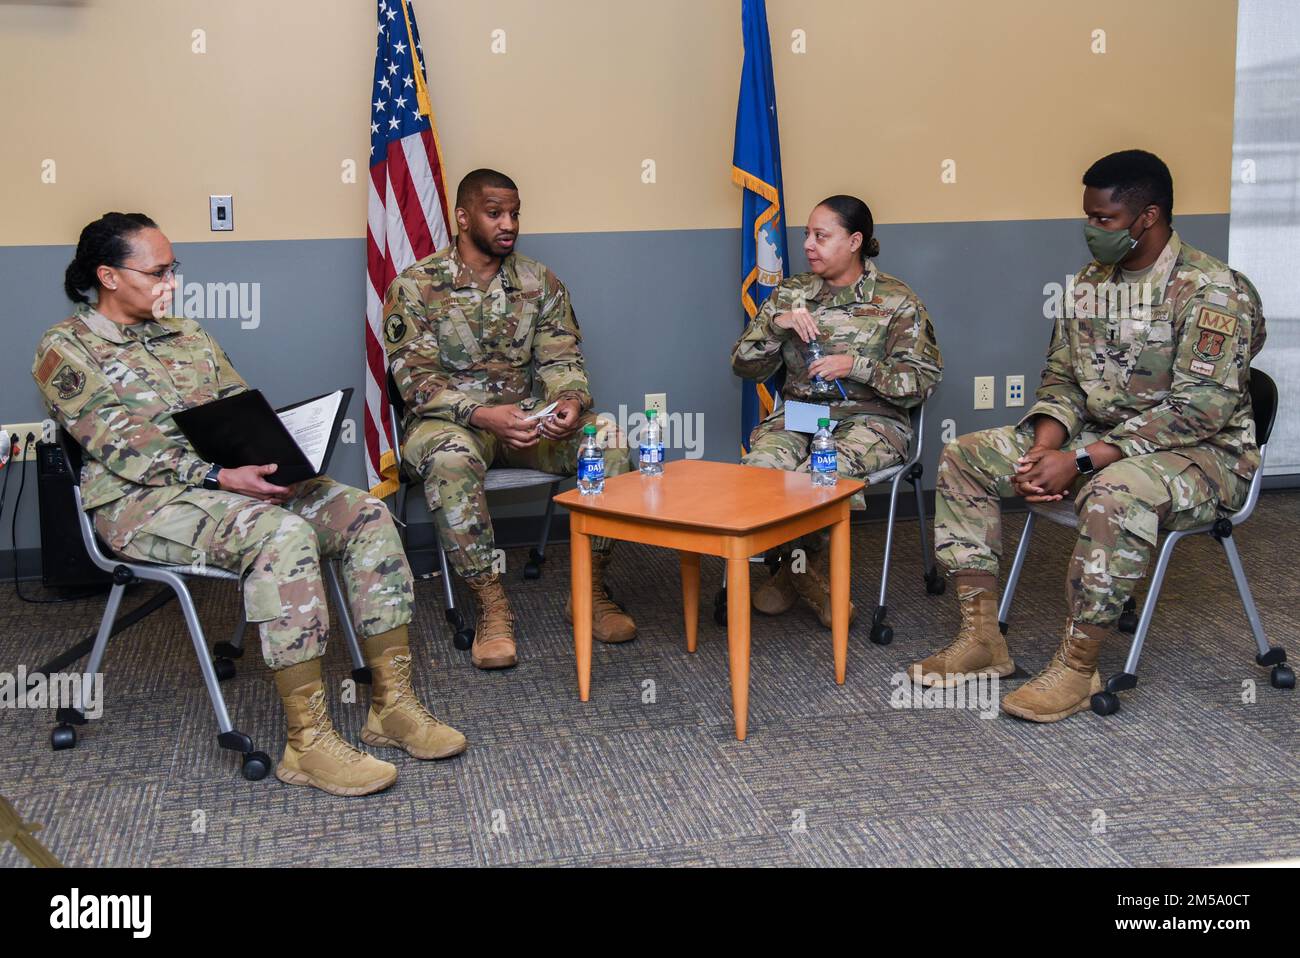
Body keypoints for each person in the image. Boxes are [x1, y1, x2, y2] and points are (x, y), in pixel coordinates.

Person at [33, 212, 465, 796]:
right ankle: (306, 743)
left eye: (173, 268)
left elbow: (240, 410)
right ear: (108, 276)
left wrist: (276, 459)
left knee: (364, 513)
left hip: (228, 484)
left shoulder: (187, 334)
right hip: (142, 503)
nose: (172, 282)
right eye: (158, 271)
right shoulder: (65, 349)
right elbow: (123, 448)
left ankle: (392, 706)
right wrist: (217, 474)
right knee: (280, 535)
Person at [912, 150, 1266, 722]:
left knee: (1114, 492)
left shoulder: (1213, 292)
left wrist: (1080, 461)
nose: (1090, 231)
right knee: (964, 455)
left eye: (1104, 220)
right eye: (1088, 217)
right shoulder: (1088, 287)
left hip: (1204, 455)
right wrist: (1047, 447)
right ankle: (982, 637)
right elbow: (1065, 381)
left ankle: (1078, 666)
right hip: (1100, 442)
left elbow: (1202, 409)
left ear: (1147, 217)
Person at [384, 169, 636, 670]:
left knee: (607, 439)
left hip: (527, 421)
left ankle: (590, 587)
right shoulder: (416, 285)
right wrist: (482, 414)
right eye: (495, 212)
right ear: (462, 217)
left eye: (514, 213)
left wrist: (567, 401)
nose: (509, 224)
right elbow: (417, 384)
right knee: (450, 460)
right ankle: (491, 605)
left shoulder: (538, 281)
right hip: (451, 424)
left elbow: (562, 359)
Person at [731, 195, 943, 626]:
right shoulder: (791, 294)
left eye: (821, 236)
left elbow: (922, 381)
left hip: (871, 421)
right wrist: (777, 325)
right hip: (801, 415)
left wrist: (858, 366)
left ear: (855, 241)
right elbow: (743, 365)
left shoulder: (897, 301)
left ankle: (792, 576)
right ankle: (809, 580)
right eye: (807, 234)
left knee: (819, 476)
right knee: (759, 473)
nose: (808, 244)